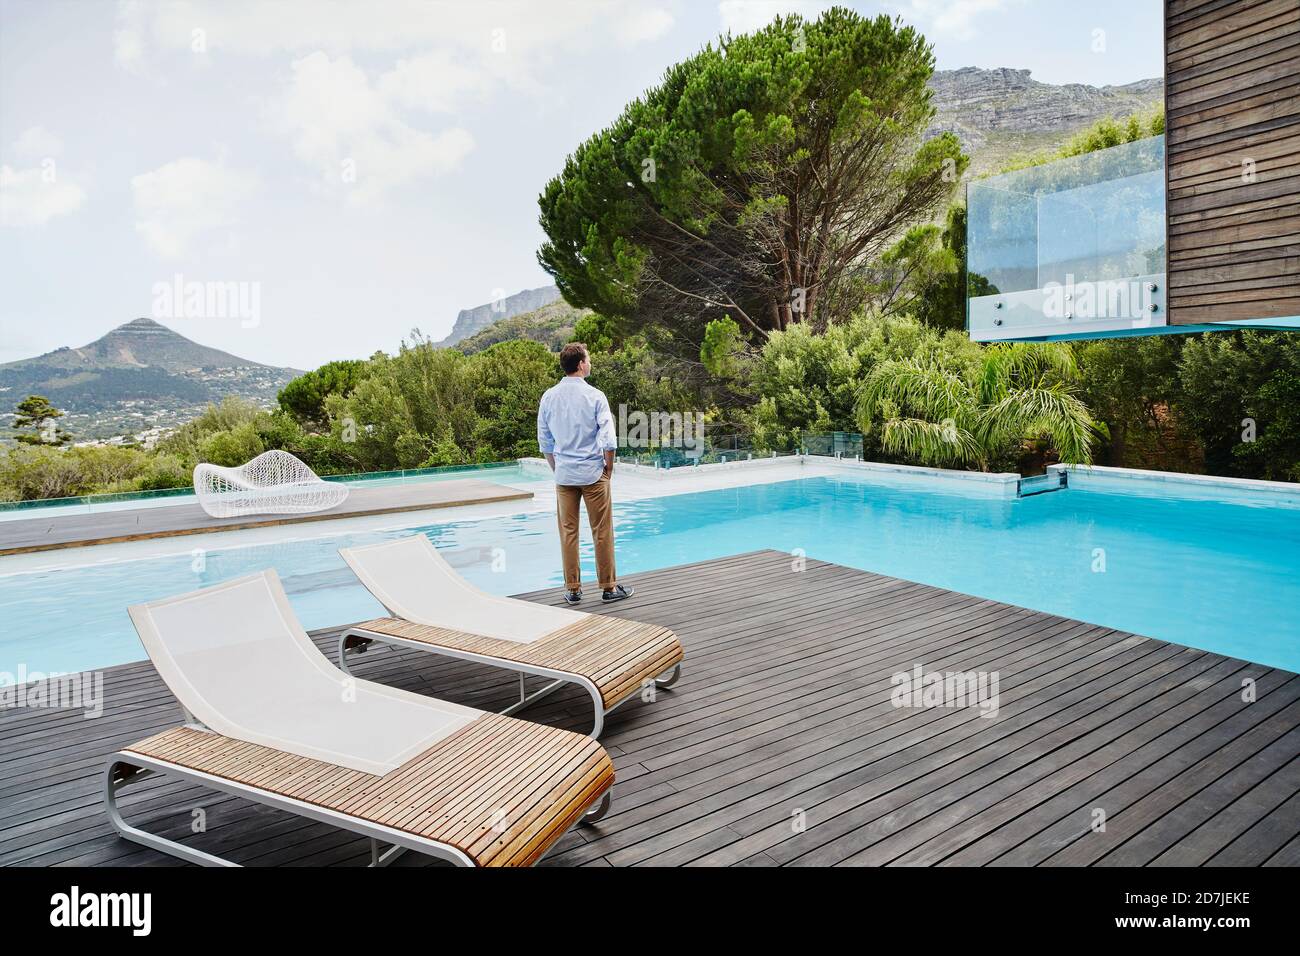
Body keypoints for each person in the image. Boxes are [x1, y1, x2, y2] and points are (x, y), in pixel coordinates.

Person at [537, 342, 632, 605]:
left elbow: (544, 442)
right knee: (602, 530)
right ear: (580, 364)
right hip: (593, 473)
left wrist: (558, 469)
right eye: (588, 359)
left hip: (564, 475)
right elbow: (609, 439)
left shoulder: (548, 397)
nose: (589, 363)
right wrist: (608, 467)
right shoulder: (595, 396)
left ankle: (573, 589)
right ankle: (609, 588)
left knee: (568, 532)